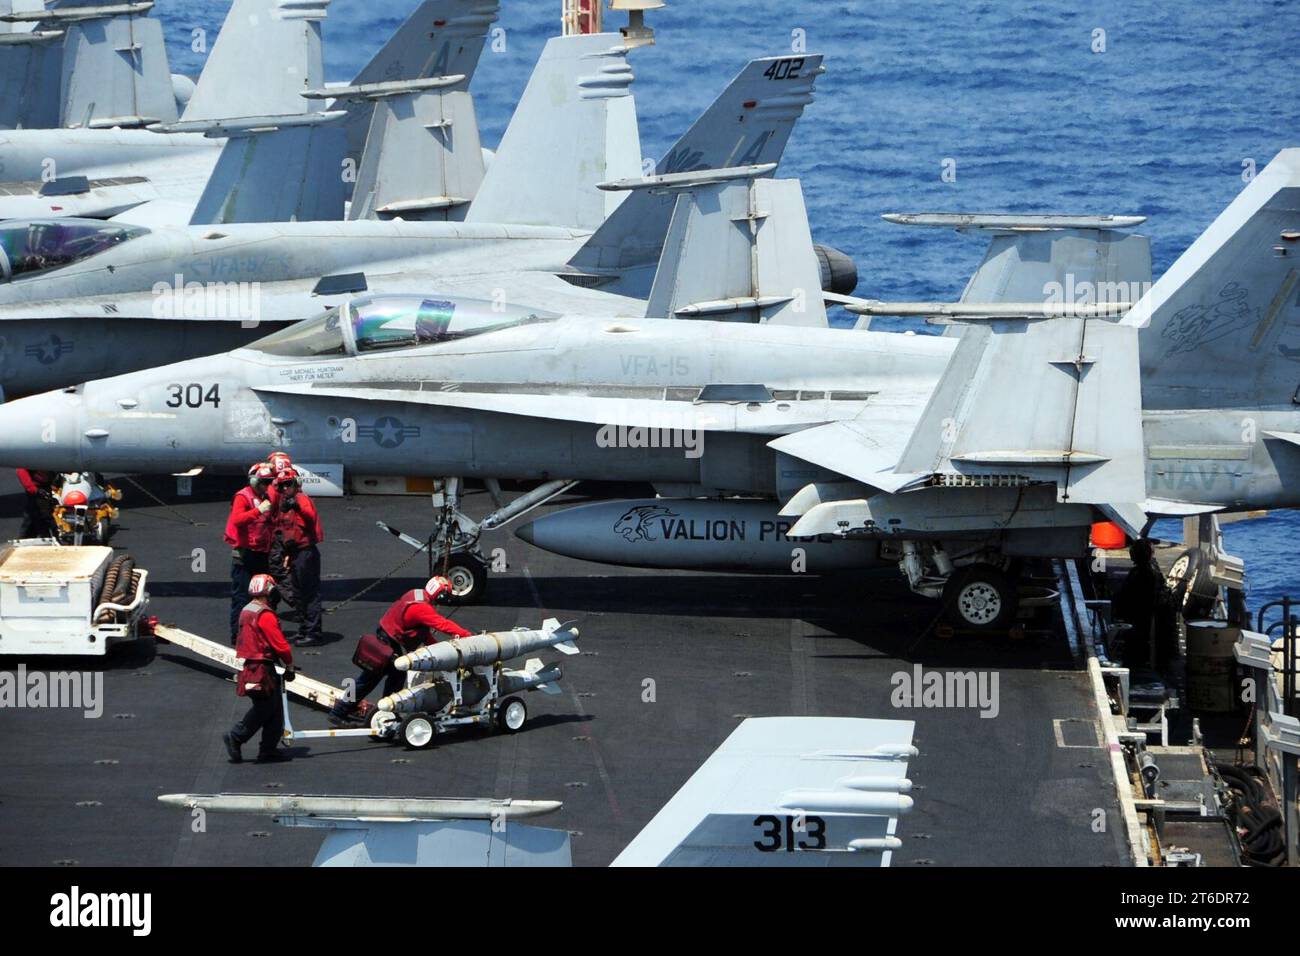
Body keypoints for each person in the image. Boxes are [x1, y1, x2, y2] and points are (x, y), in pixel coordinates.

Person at [329, 575, 472, 724]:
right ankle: (342, 711)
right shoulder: (422, 608)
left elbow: (423, 632)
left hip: (387, 636)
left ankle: (386, 712)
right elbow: (442, 624)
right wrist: (466, 635)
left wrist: (436, 649)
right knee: (372, 679)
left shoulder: (417, 595)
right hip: (388, 641)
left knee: (385, 677)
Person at [223, 574, 294, 764]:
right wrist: (289, 664)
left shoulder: (247, 609)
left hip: (252, 666)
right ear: (269, 591)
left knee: (275, 708)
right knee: (265, 708)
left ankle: (268, 750)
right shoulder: (265, 614)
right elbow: (280, 645)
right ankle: (236, 736)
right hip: (261, 668)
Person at [269, 467, 324, 646]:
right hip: (295, 553)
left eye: (288, 484)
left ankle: (313, 632)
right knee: (299, 593)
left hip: (306, 552)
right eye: (282, 486)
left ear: (295, 484)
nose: (285, 488)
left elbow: (311, 516)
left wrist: (296, 505)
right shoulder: (286, 504)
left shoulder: (301, 500)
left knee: (309, 594)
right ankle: (304, 629)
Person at [223, 463, 276, 645]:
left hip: (261, 553)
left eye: (269, 482)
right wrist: (258, 511)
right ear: (255, 481)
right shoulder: (243, 496)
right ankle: (237, 637)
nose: (267, 485)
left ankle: (258, 632)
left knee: (264, 595)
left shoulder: (264, 496)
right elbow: (237, 520)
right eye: (264, 482)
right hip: (245, 555)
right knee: (242, 598)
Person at [1112, 539, 1178, 671]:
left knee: (1138, 640)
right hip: (1141, 612)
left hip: (1140, 613)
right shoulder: (1147, 571)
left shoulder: (1144, 573)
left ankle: (1140, 662)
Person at [16, 468, 56, 538]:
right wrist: (35, 490)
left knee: (33, 516)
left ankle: (26, 537)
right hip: (37, 489)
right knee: (42, 515)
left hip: (47, 486)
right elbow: (21, 470)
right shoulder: (30, 460)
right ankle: (47, 536)